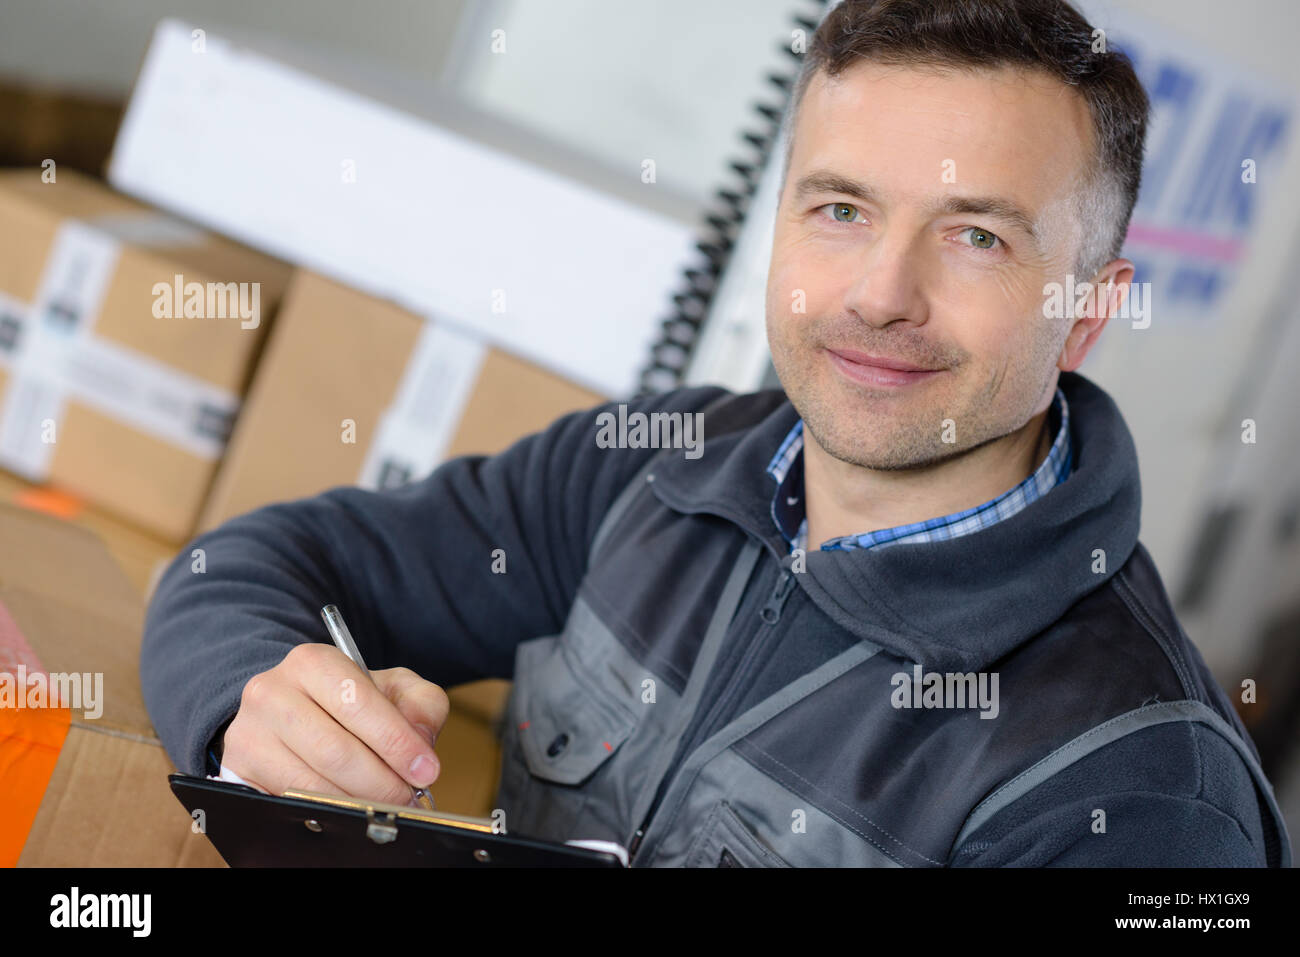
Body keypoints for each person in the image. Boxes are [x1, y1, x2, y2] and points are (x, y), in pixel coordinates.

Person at [141, 0, 1291, 866]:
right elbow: (246, 564)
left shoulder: (1140, 788)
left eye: (976, 237)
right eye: (840, 211)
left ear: (1085, 310)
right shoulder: (654, 465)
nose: (880, 293)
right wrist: (253, 703)